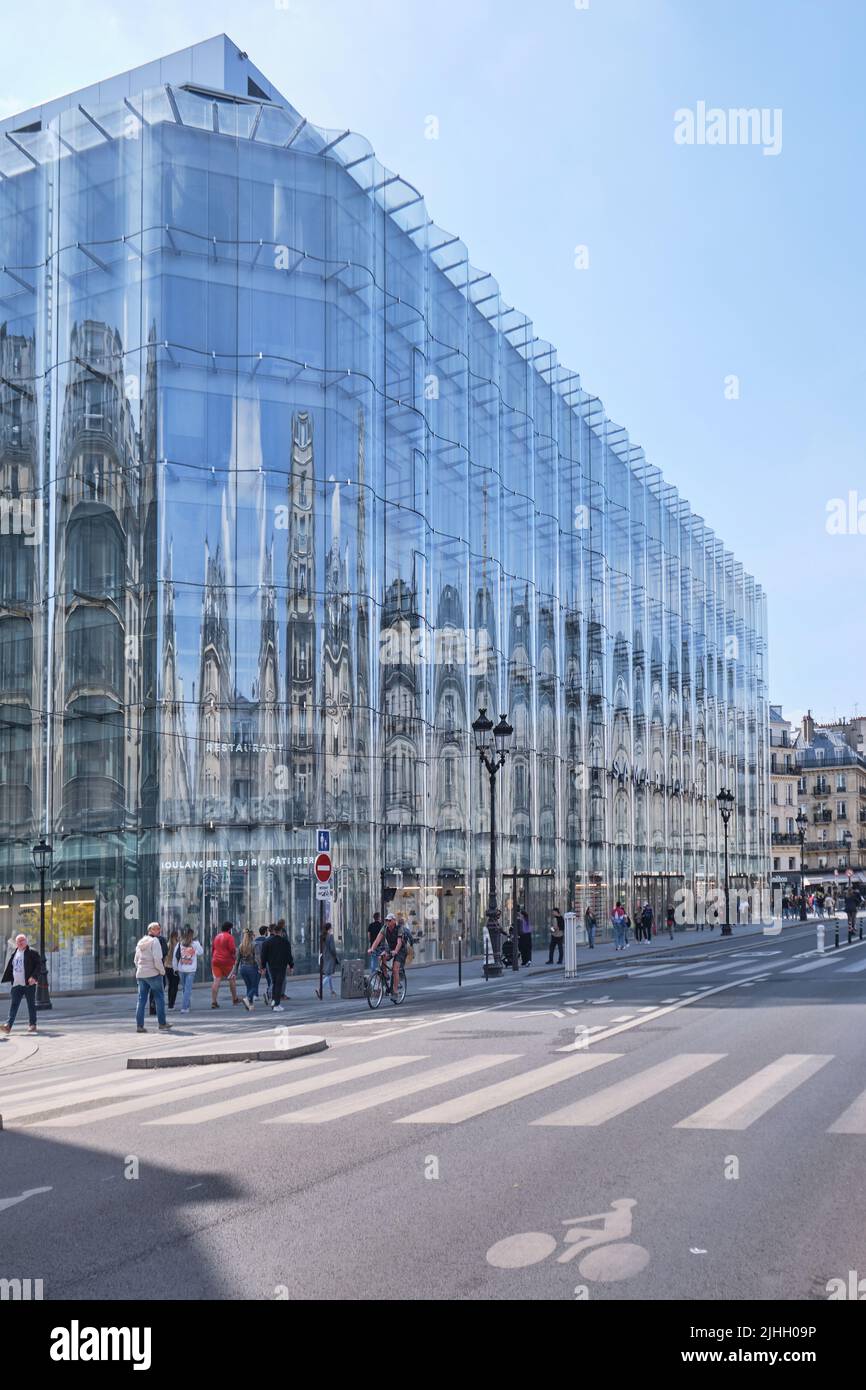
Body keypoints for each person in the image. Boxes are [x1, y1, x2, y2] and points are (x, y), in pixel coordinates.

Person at [0, 933, 41, 1035]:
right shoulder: (15, 953)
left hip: (28, 984)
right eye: (19, 941)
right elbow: (11, 967)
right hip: (16, 984)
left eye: (23, 940)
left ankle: (32, 1024)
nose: (21, 942)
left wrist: (34, 977)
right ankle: (8, 1026)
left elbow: (39, 966)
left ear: (26, 941)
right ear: (16, 943)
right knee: (14, 1005)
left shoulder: (32, 952)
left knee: (31, 1004)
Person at [134, 922, 171, 1033]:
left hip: (141, 974)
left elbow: (135, 960)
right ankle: (162, 1023)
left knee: (141, 1000)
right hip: (154, 974)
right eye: (157, 929)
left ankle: (139, 1026)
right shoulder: (155, 942)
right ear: (151, 930)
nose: (159, 931)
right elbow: (157, 959)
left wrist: (140, 969)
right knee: (159, 998)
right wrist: (162, 971)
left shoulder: (140, 942)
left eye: (159, 929)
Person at [368, 913, 405, 1005]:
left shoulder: (399, 928)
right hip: (390, 947)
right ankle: (385, 975)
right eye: (386, 920)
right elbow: (377, 940)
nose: (387, 922)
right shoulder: (384, 928)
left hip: (400, 950)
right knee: (381, 955)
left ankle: (395, 992)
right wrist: (372, 948)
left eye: (389, 920)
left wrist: (396, 951)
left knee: (395, 969)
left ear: (394, 921)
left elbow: (399, 942)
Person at [260, 924, 292, 1012]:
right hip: (281, 966)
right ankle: (276, 1003)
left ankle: (274, 1001)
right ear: (280, 932)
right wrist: (291, 965)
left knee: (274, 983)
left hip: (271, 966)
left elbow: (263, 956)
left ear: (274, 931)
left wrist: (263, 967)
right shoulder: (285, 942)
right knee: (278, 984)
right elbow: (288, 955)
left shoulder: (267, 942)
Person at [211, 922, 239, 1009]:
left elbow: (213, 949)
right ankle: (234, 999)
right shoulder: (229, 937)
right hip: (227, 961)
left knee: (216, 980)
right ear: (229, 929)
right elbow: (232, 950)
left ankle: (214, 1001)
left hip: (216, 961)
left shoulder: (217, 936)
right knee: (231, 979)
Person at [175, 928, 203, 1013]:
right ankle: (184, 1007)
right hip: (191, 969)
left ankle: (187, 1005)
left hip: (181, 968)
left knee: (185, 989)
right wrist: (194, 951)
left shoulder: (180, 943)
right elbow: (201, 952)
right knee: (188, 989)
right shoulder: (195, 943)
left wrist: (175, 968)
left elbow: (175, 955)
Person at [237, 928, 260, 1011]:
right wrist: (261, 968)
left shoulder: (241, 945)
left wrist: (235, 971)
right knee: (254, 986)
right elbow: (257, 958)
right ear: (252, 936)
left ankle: (250, 1005)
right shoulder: (254, 944)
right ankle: (247, 998)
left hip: (243, 968)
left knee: (249, 987)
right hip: (252, 968)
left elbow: (237, 960)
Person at [148, 924, 169, 1016]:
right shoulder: (160, 940)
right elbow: (164, 953)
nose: (159, 930)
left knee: (151, 989)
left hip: (147, 968)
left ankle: (152, 1008)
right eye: (157, 929)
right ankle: (157, 1008)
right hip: (158, 967)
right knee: (160, 988)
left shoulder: (144, 940)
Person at [316, 923, 340, 999]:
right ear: (329, 928)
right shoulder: (330, 936)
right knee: (329, 975)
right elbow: (332, 948)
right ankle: (319, 988)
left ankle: (332, 991)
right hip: (330, 957)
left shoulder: (322, 936)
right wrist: (335, 955)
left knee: (328, 974)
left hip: (325, 956)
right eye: (331, 928)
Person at [164, 928, 181, 1010]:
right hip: (175, 968)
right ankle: (172, 1003)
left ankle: (170, 1004)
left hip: (167, 967)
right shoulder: (178, 945)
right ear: (176, 936)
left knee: (170, 986)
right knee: (175, 986)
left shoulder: (168, 944)